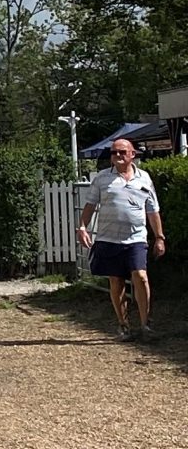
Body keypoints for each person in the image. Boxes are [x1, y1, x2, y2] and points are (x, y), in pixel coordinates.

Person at [79, 136, 166, 339]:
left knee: (141, 276)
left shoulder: (144, 178)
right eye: (113, 152)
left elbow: (153, 210)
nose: (117, 155)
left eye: (122, 152)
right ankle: (123, 324)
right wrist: (82, 227)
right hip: (109, 238)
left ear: (132, 154)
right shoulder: (102, 178)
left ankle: (145, 324)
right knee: (116, 281)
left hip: (136, 238)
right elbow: (90, 205)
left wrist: (159, 237)